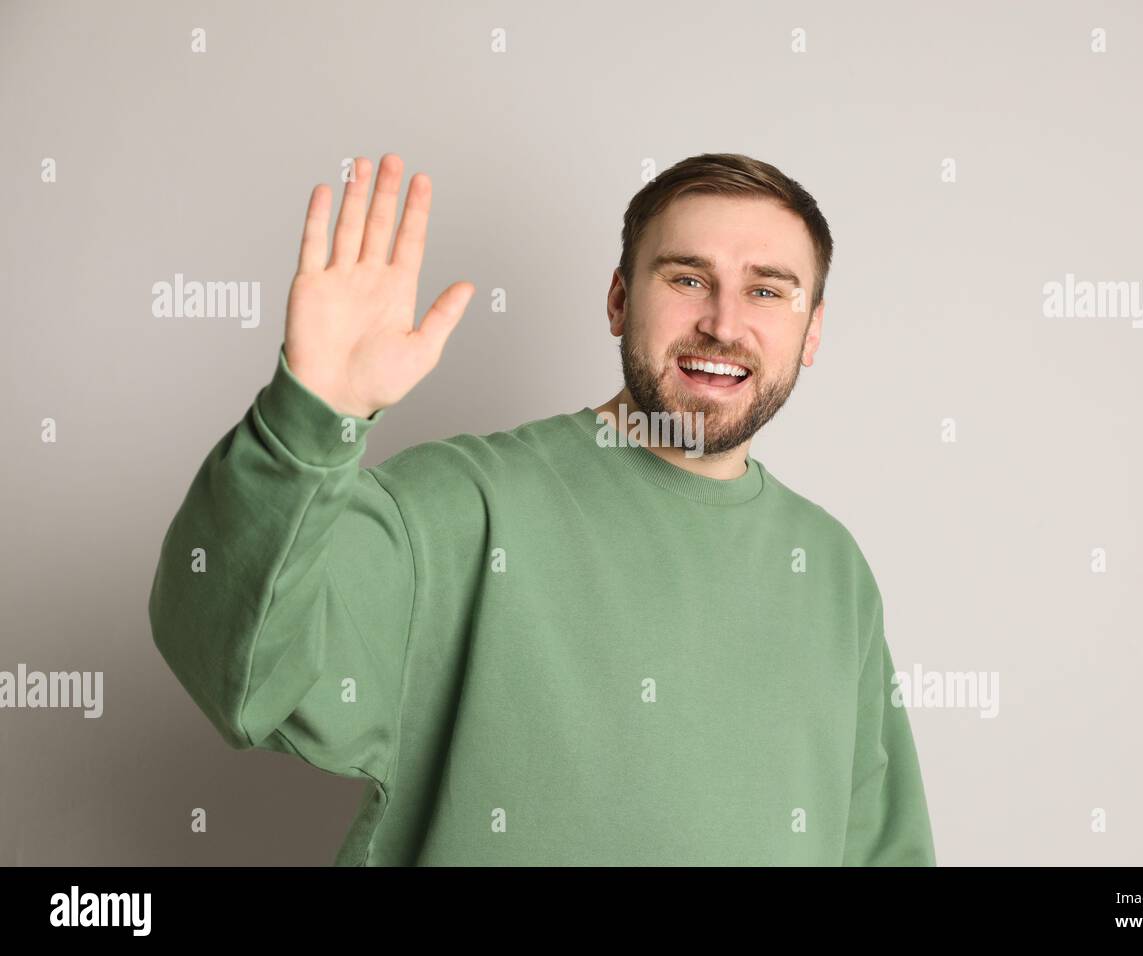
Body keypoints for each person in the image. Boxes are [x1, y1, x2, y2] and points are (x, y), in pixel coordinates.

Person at [147, 151, 937, 866]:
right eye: (687, 278)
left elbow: (883, 849)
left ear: (812, 332)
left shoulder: (832, 566)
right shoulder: (464, 505)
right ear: (619, 299)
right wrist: (311, 414)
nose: (724, 324)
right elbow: (239, 674)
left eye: (767, 290)